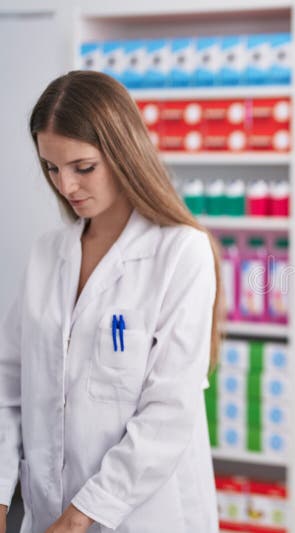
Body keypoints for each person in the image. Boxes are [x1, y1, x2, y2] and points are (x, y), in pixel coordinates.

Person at [0, 71, 222, 533]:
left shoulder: (180, 251)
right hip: (47, 512)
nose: (66, 186)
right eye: (52, 168)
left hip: (145, 517)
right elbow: (8, 386)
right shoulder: (47, 253)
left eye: (83, 168)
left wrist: (82, 515)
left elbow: (169, 408)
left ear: (123, 153)